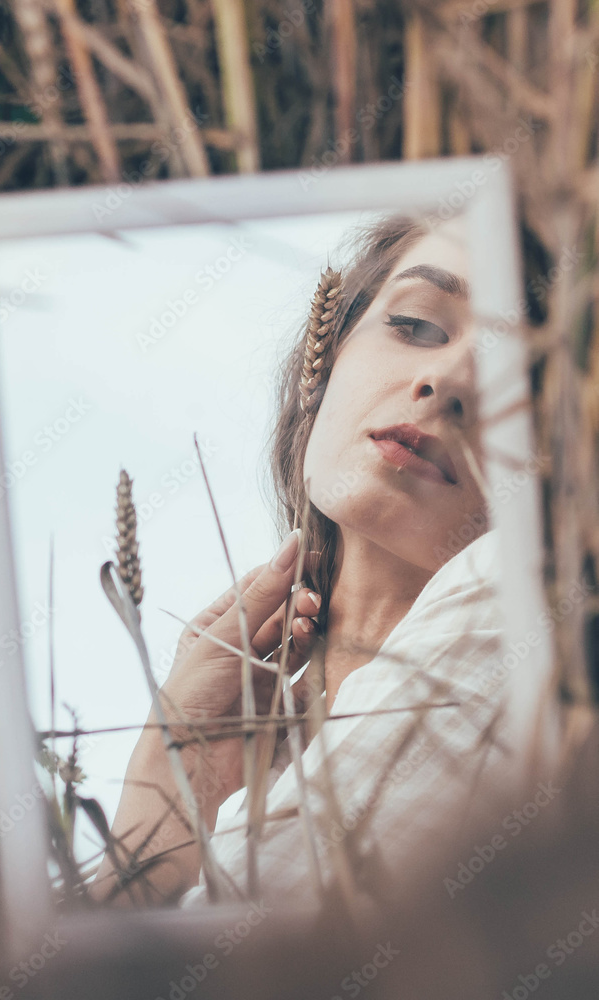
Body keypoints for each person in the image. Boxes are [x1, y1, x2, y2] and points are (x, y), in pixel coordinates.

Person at [89, 211, 512, 910]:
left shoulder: (513, 592)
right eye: (415, 325)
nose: (446, 379)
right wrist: (172, 789)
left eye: (518, 367)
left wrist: (151, 833)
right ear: (326, 358)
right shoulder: (255, 739)